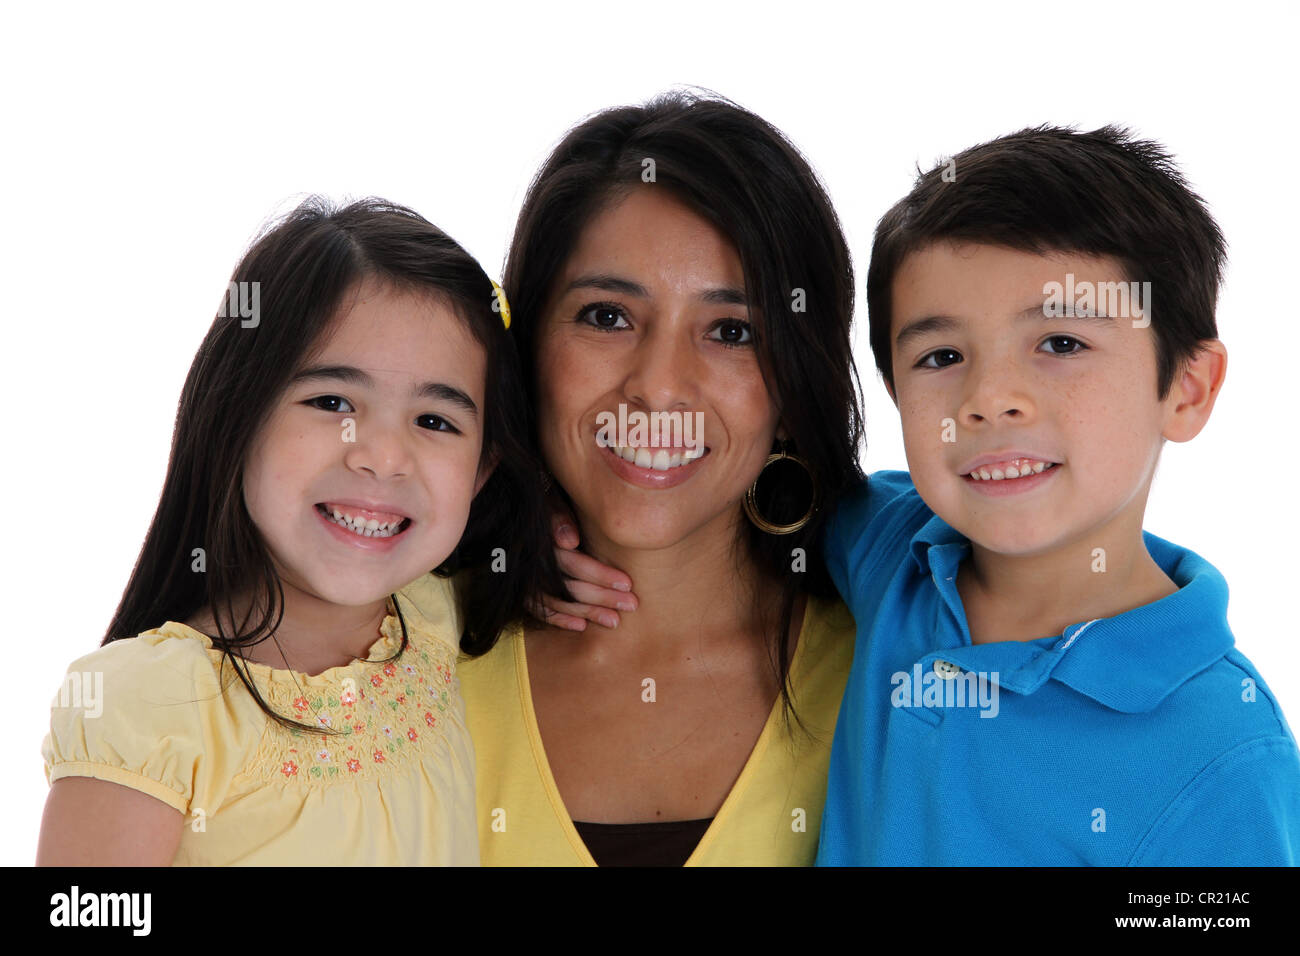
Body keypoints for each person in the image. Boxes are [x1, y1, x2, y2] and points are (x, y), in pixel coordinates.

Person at [815, 126, 1300, 864]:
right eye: (941, 357)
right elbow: (731, 491)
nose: (990, 399)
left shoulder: (1224, 763)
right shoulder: (889, 549)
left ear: (1188, 389)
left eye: (1062, 344)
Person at [37, 197, 561, 865]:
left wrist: (557, 553)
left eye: (435, 421)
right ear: (237, 415)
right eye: (332, 402)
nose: (381, 456)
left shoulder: (436, 621)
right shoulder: (152, 708)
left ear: (483, 469)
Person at [457, 90, 866, 865]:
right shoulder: (405, 641)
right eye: (607, 316)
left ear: (792, 389)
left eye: (731, 331)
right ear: (528, 349)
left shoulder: (891, 666)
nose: (659, 386)